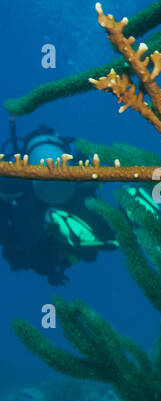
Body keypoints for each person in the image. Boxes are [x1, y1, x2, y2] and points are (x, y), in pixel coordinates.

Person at [0, 118, 118, 285]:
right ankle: (126, 217)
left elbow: (6, 224)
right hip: (68, 197)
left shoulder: (21, 173)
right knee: (97, 244)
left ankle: (55, 223)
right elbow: (91, 189)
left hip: (38, 204)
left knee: (29, 256)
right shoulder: (68, 161)